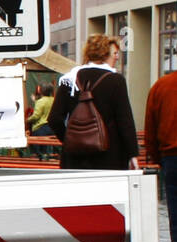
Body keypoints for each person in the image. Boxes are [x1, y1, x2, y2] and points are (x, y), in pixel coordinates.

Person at [48, 34, 140, 171]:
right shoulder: (115, 80)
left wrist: (70, 139)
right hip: (109, 157)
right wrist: (133, 155)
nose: (117, 57)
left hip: (74, 158)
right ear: (104, 54)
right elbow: (125, 121)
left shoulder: (70, 79)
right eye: (114, 53)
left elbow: (54, 118)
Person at [144, 67, 177, 242]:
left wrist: (158, 158)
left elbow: (150, 127)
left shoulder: (161, 86)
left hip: (171, 158)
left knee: (176, 215)